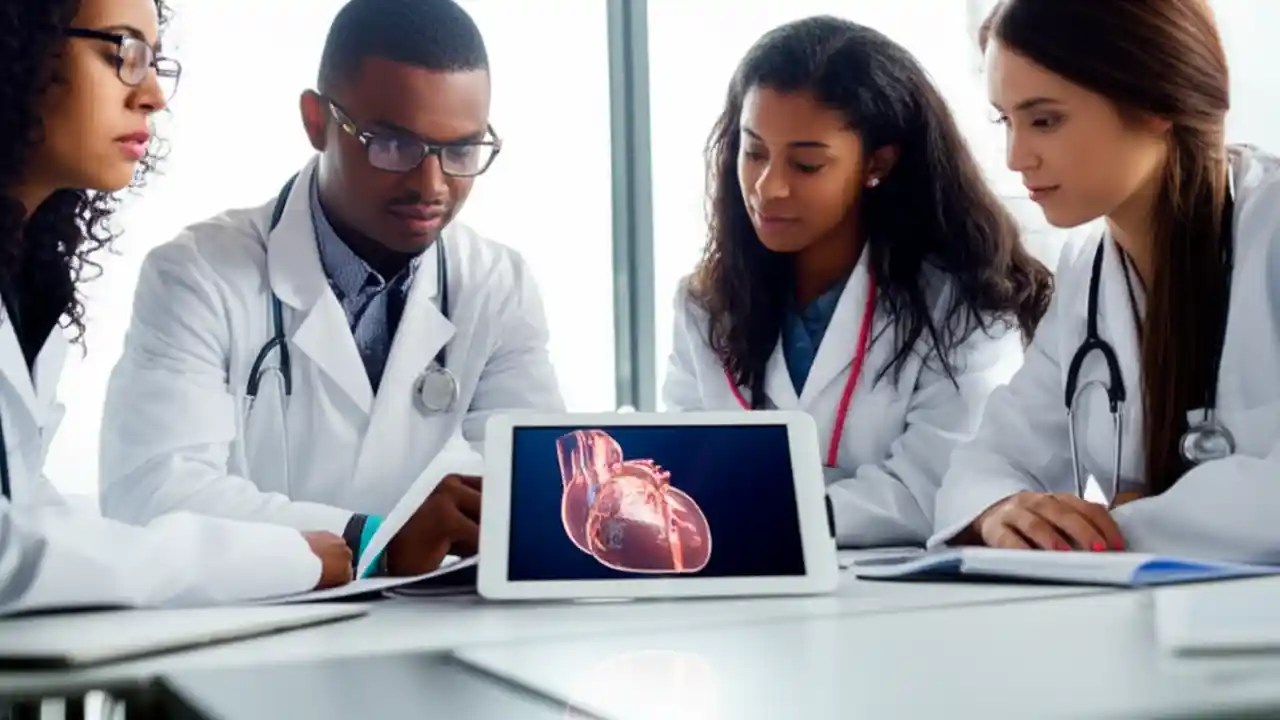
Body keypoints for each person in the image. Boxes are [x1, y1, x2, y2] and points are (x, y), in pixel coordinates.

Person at [98, 0, 564, 576]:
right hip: (253, 639)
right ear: (316, 122)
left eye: (462, 151)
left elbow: (535, 492)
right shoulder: (198, 275)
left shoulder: (499, 286)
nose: (432, 184)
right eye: (394, 145)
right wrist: (374, 540)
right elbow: (151, 496)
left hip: (436, 635)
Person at [0, 0, 353, 615]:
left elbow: (24, 507)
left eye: (155, 60)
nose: (154, 95)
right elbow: (12, 555)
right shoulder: (192, 267)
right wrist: (282, 557)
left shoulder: (28, 282)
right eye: (122, 52)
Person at [662, 16, 1053, 547]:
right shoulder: (705, 305)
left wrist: (763, 514)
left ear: (877, 164)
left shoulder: (962, 304)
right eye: (753, 152)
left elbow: (935, 488)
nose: (767, 186)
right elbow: (685, 471)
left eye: (805, 164)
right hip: (746, 603)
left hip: (902, 610)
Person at [931, 0, 1280, 564]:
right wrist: (1001, 513)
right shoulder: (1087, 271)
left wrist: (1119, 524)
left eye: (1045, 120)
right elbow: (985, 464)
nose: (1016, 156)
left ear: (1155, 101)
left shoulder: (1270, 229)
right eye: (1005, 120)